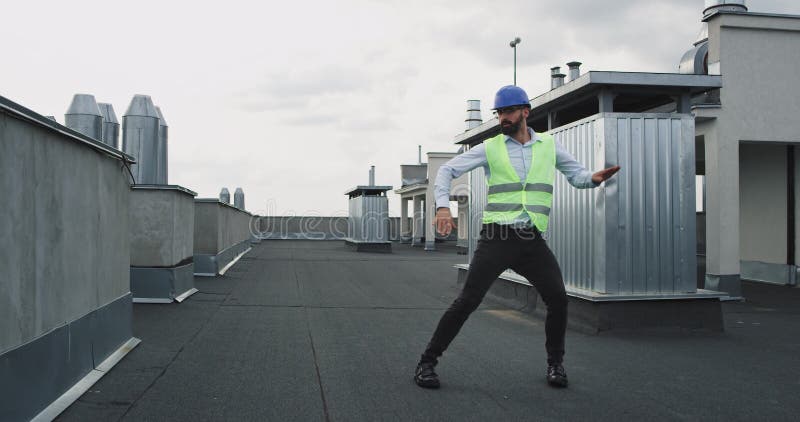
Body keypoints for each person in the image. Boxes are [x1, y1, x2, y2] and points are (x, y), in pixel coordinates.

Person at [414, 85, 620, 389]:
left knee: (558, 300)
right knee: (467, 301)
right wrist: (443, 207)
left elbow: (576, 176)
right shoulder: (491, 147)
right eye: (499, 113)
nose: (503, 118)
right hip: (497, 237)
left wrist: (593, 179)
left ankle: (555, 365)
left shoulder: (548, 147)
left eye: (508, 112)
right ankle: (426, 363)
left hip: (531, 239)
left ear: (525, 111)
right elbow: (446, 171)